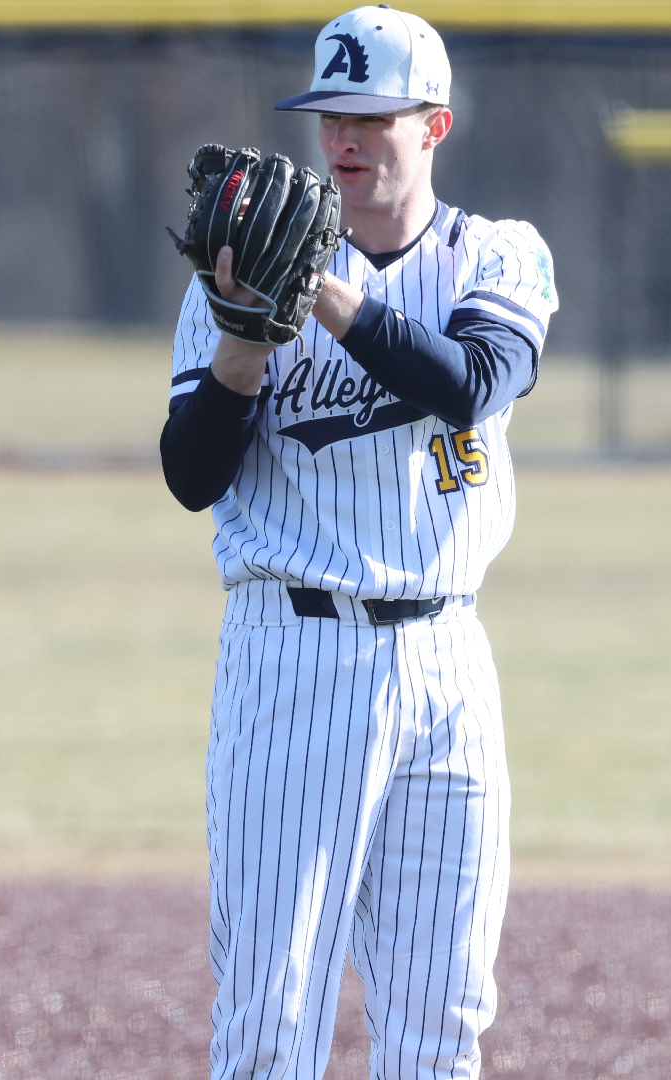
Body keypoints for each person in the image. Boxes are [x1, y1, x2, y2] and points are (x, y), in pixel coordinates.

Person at [158, 6, 557, 1079]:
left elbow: (469, 384)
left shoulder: (499, 257)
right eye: (331, 115)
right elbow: (191, 477)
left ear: (436, 125)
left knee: (442, 1024)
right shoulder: (234, 277)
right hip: (297, 653)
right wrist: (248, 338)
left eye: (374, 117)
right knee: (270, 1024)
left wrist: (320, 295)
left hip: (449, 657)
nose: (344, 139)